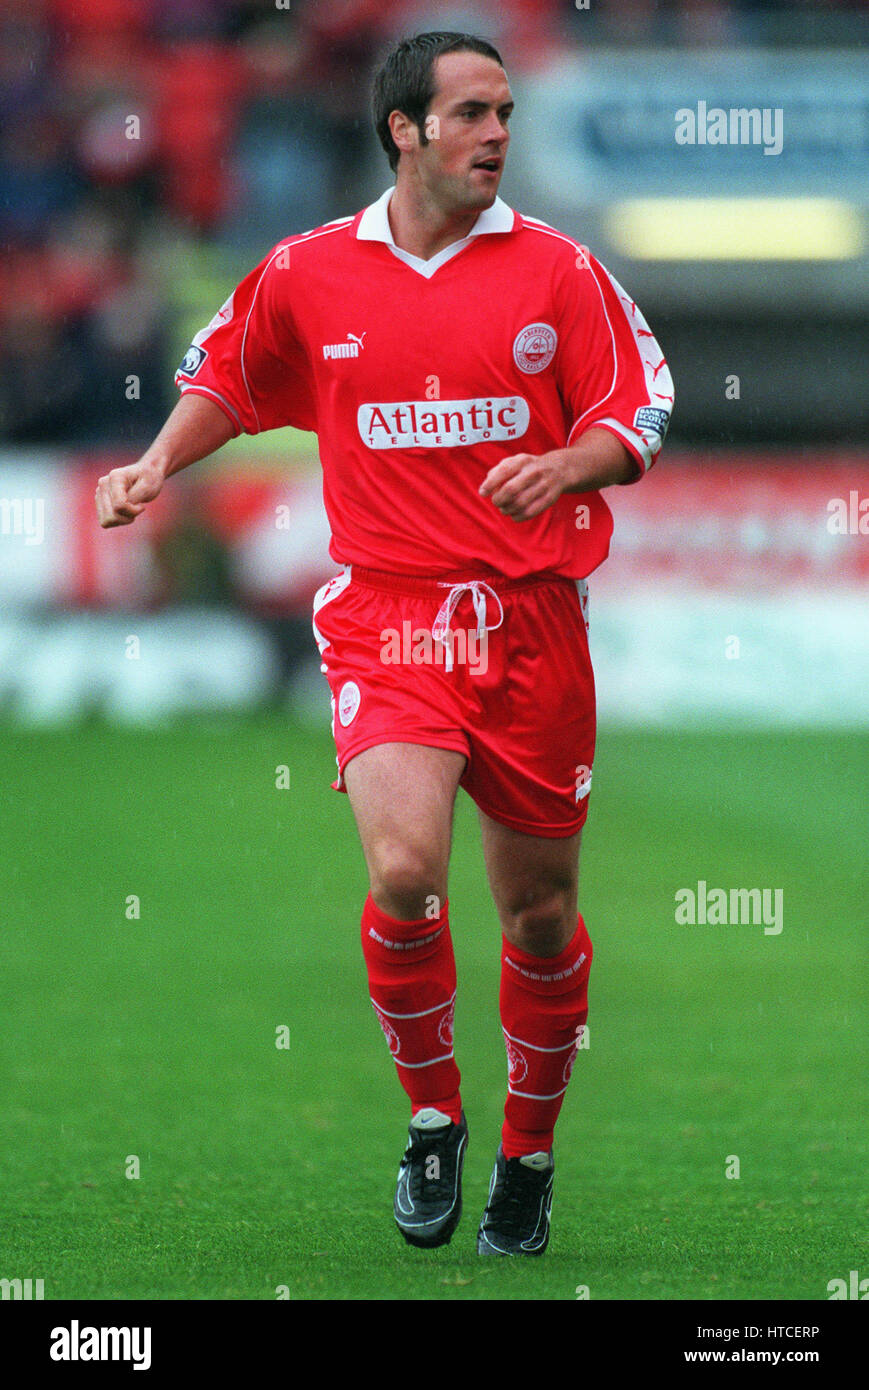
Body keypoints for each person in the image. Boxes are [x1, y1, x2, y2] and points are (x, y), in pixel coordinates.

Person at [95, 31, 674, 1256]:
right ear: (402, 130)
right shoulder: (309, 272)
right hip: (391, 616)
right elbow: (232, 375)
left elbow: (640, 404)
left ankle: (526, 1151)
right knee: (404, 870)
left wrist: (569, 461)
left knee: (537, 914)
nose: (497, 133)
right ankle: (432, 1119)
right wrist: (154, 462)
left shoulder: (560, 272)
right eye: (471, 113)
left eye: (505, 112)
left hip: (528, 626)